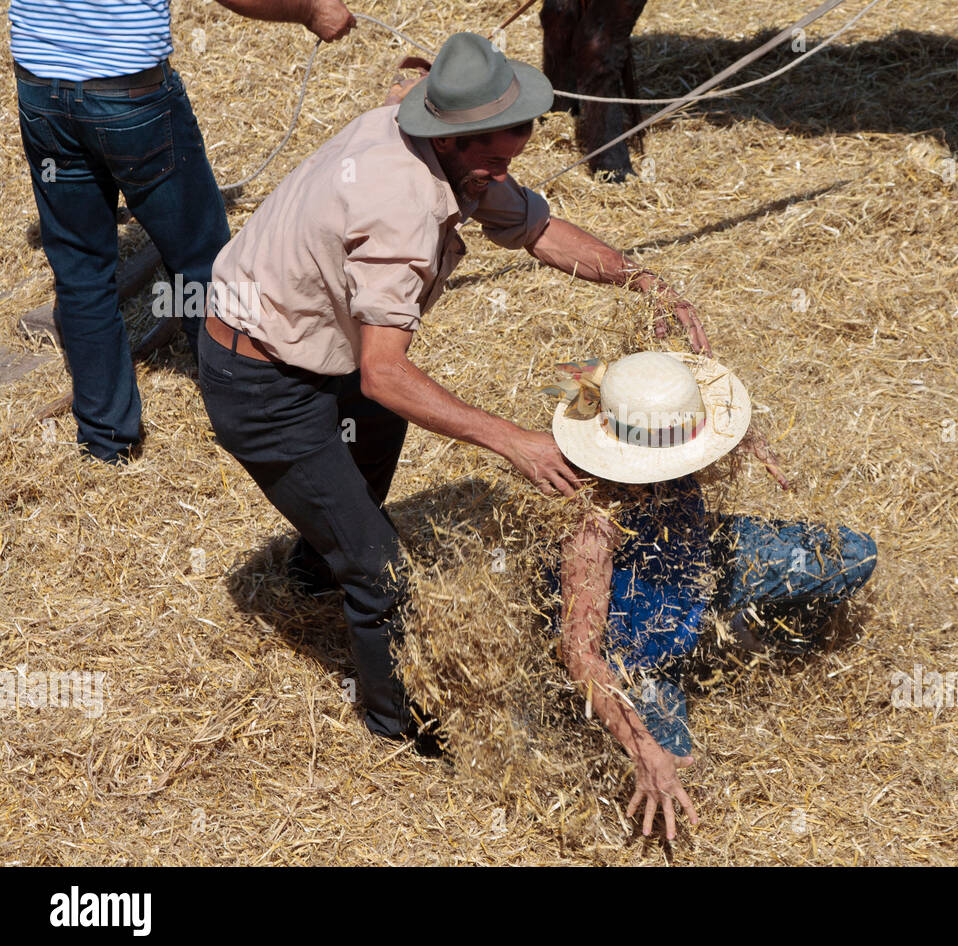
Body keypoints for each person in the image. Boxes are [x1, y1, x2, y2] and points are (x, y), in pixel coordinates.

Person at [196, 32, 714, 752]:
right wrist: (513, 441)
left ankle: (318, 566)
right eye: (496, 160)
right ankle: (398, 726)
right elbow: (384, 372)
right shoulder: (400, 210)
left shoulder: (438, 143)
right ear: (453, 139)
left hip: (325, 351)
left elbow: (536, 228)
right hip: (263, 380)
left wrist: (640, 278)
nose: (505, 175)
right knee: (385, 573)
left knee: (371, 449)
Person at [545, 352, 877, 840]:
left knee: (851, 555)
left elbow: (598, 371)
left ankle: (762, 633)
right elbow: (578, 652)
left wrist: (740, 435)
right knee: (674, 783)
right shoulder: (591, 528)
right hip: (641, 652)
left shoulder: (650, 413)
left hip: (702, 558)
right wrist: (643, 751)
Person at [10, 0, 355, 463]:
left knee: (81, 270)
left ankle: (105, 440)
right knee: (205, 264)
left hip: (41, 92)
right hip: (131, 97)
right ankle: (246, 417)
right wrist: (311, 10)